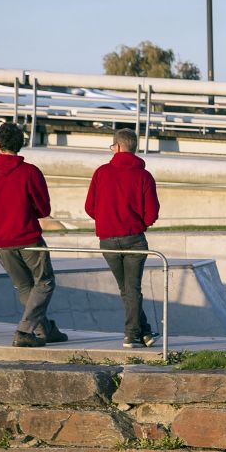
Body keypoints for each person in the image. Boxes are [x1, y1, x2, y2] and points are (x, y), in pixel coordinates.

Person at [0, 122, 66, 347]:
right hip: (27, 236)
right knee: (45, 282)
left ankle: (45, 329)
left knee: (24, 286)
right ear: (20, 145)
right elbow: (43, 209)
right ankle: (24, 330)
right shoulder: (30, 172)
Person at [85, 129, 160, 347]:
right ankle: (135, 333)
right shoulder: (144, 176)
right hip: (134, 238)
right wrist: (140, 223)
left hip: (107, 239)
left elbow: (90, 207)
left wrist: (106, 219)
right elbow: (151, 213)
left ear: (117, 147)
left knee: (127, 290)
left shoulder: (101, 173)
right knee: (132, 289)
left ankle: (140, 332)